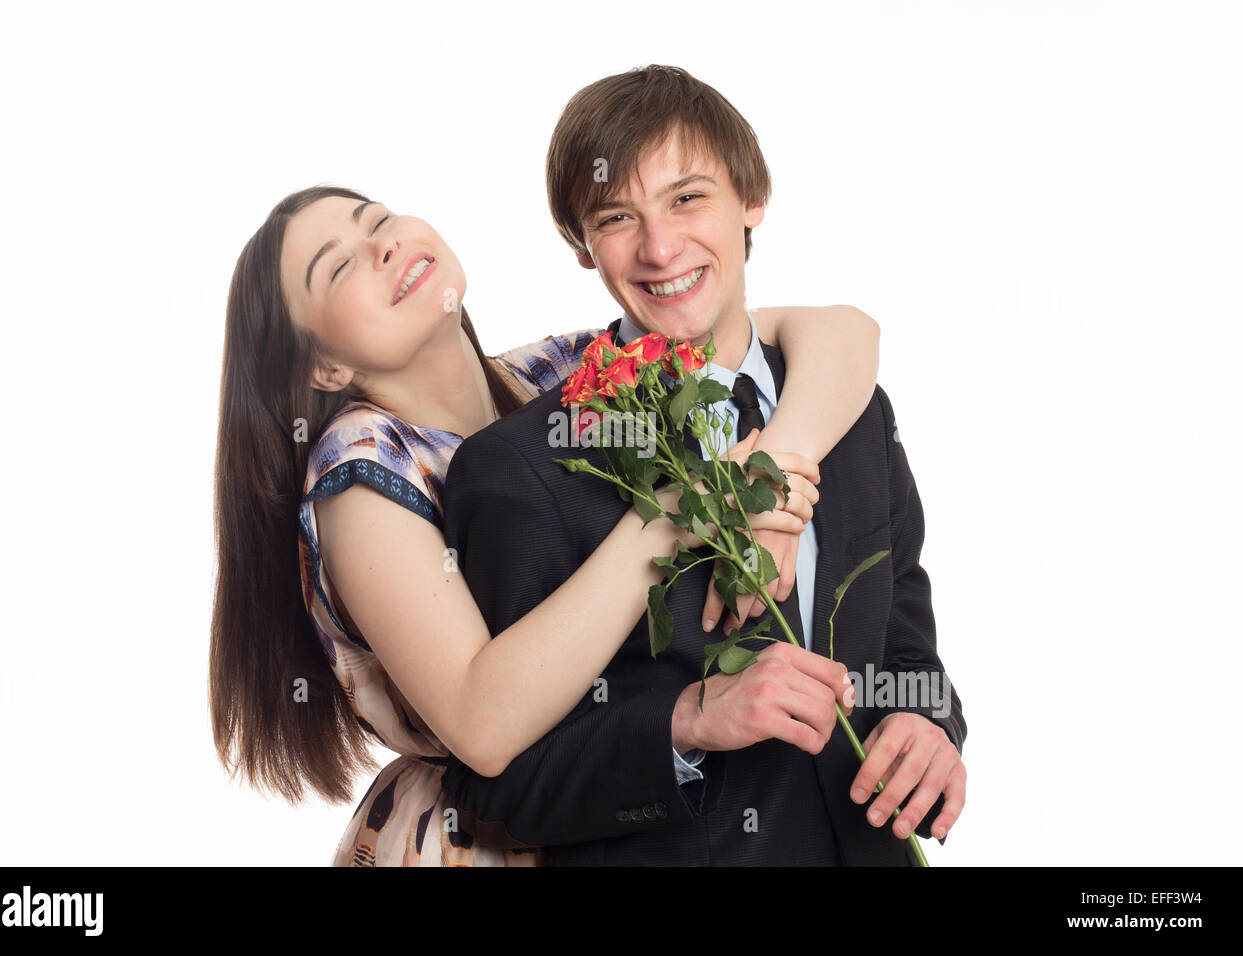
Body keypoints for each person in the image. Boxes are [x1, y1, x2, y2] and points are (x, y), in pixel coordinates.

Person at [208, 182, 885, 866]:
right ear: (326, 366)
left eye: (377, 219)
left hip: (618, 809)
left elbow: (840, 333)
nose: (382, 244)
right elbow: (482, 722)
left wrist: (764, 478)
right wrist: (674, 517)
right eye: (340, 265)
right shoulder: (360, 471)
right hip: (479, 843)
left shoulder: (548, 379)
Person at [440, 65, 968, 866]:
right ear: (583, 246)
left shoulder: (855, 411)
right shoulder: (520, 468)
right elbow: (498, 782)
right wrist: (687, 721)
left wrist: (926, 725)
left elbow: (902, 641)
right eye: (617, 217)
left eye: (688, 198)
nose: (659, 247)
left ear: (751, 199)